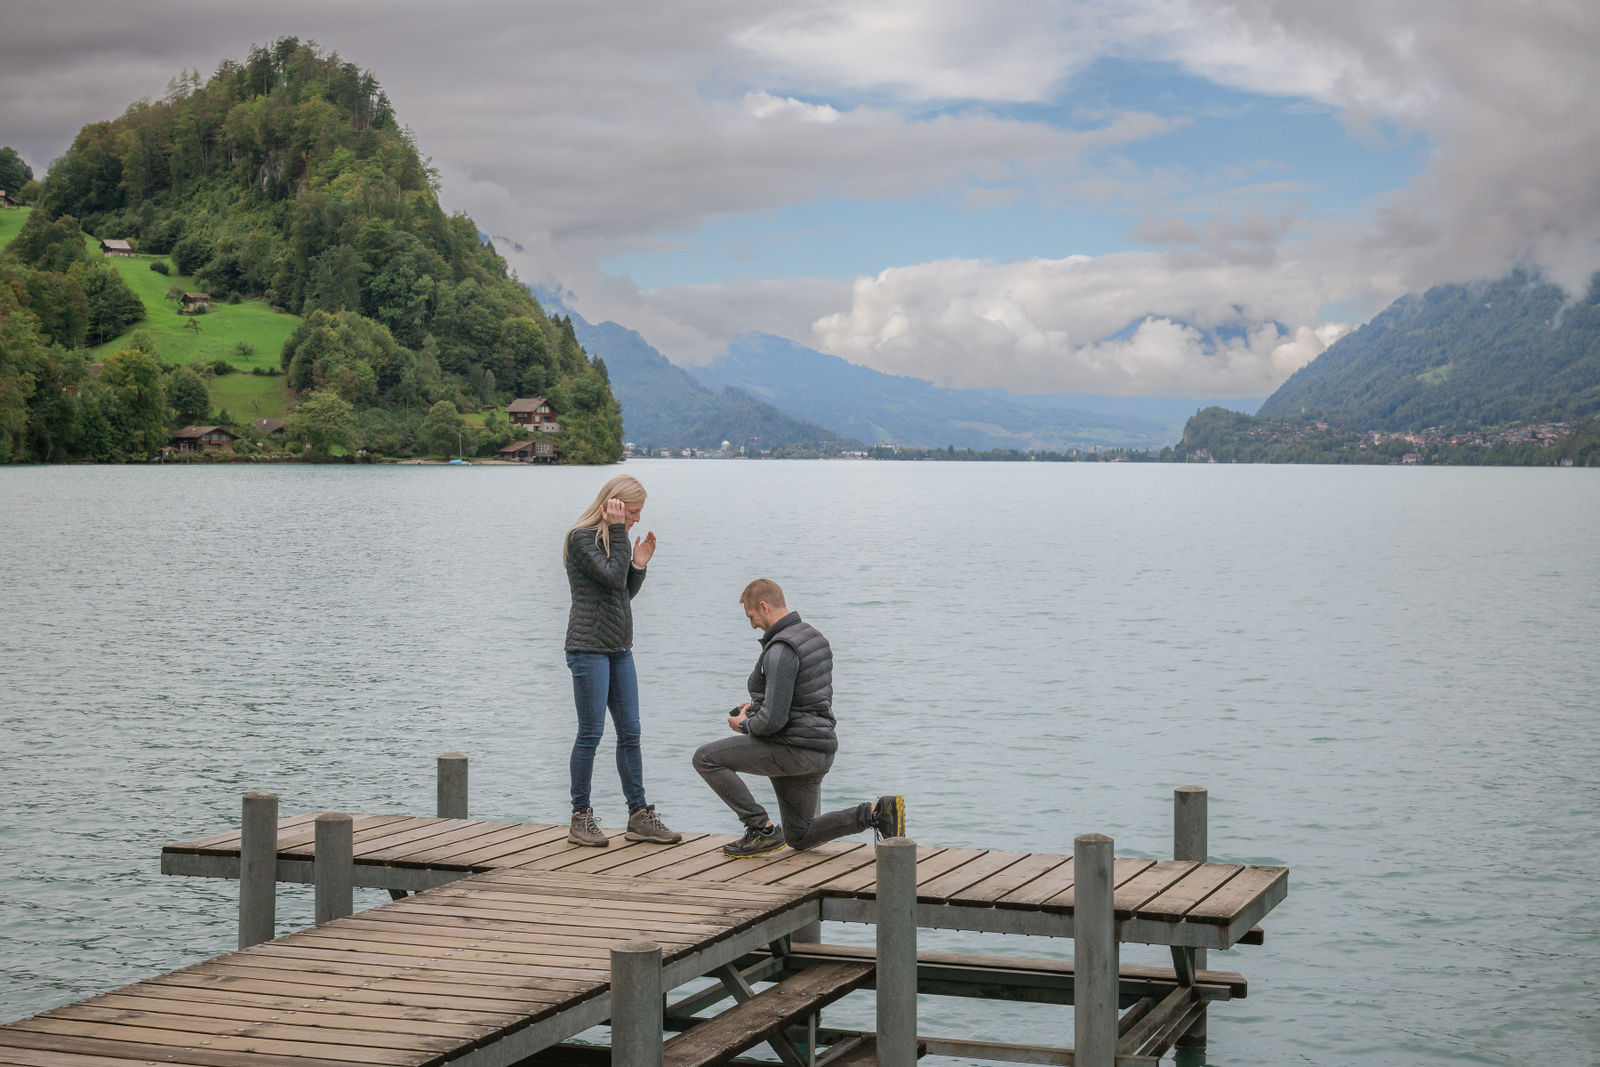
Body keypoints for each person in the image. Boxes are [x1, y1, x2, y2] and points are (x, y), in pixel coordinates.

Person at [693, 578, 904, 857]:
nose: (752, 624)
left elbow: (773, 722)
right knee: (800, 836)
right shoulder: (813, 636)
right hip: (818, 750)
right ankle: (877, 812)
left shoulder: (781, 649)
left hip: (792, 750)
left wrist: (744, 724)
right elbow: (803, 698)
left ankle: (761, 829)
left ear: (764, 606)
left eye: (751, 616)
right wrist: (758, 705)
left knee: (705, 758)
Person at [562, 475, 681, 847]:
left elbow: (622, 592)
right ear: (613, 506)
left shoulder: (617, 536)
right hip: (588, 649)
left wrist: (640, 566)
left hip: (619, 648)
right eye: (633, 512)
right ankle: (580, 817)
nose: (636, 520)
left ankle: (639, 816)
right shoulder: (581, 538)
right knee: (591, 733)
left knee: (631, 732)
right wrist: (618, 533)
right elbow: (613, 579)